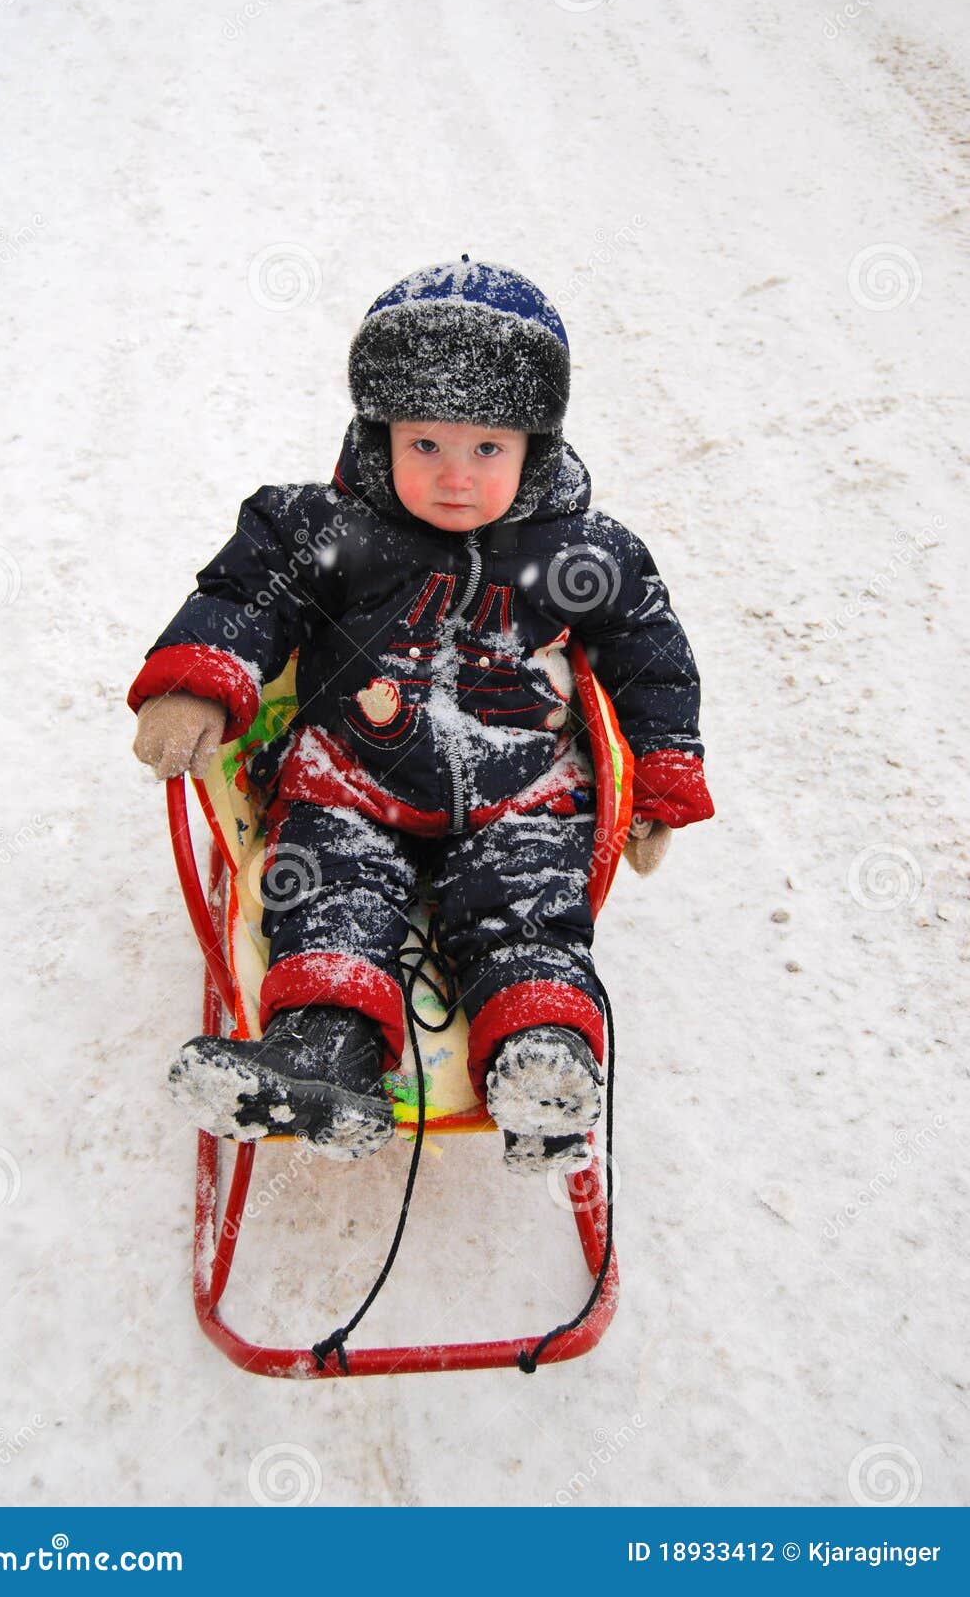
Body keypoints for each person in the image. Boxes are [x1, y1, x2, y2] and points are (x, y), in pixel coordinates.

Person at [129, 257, 714, 1173]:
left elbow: (649, 657)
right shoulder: (324, 529)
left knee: (529, 907)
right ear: (379, 435)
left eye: (487, 449)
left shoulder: (582, 552)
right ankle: (324, 1056)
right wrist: (197, 681)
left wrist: (662, 775)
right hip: (351, 777)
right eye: (424, 446)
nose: (453, 477)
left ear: (534, 448)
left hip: (520, 787)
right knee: (324, 887)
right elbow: (246, 596)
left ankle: (540, 1061)